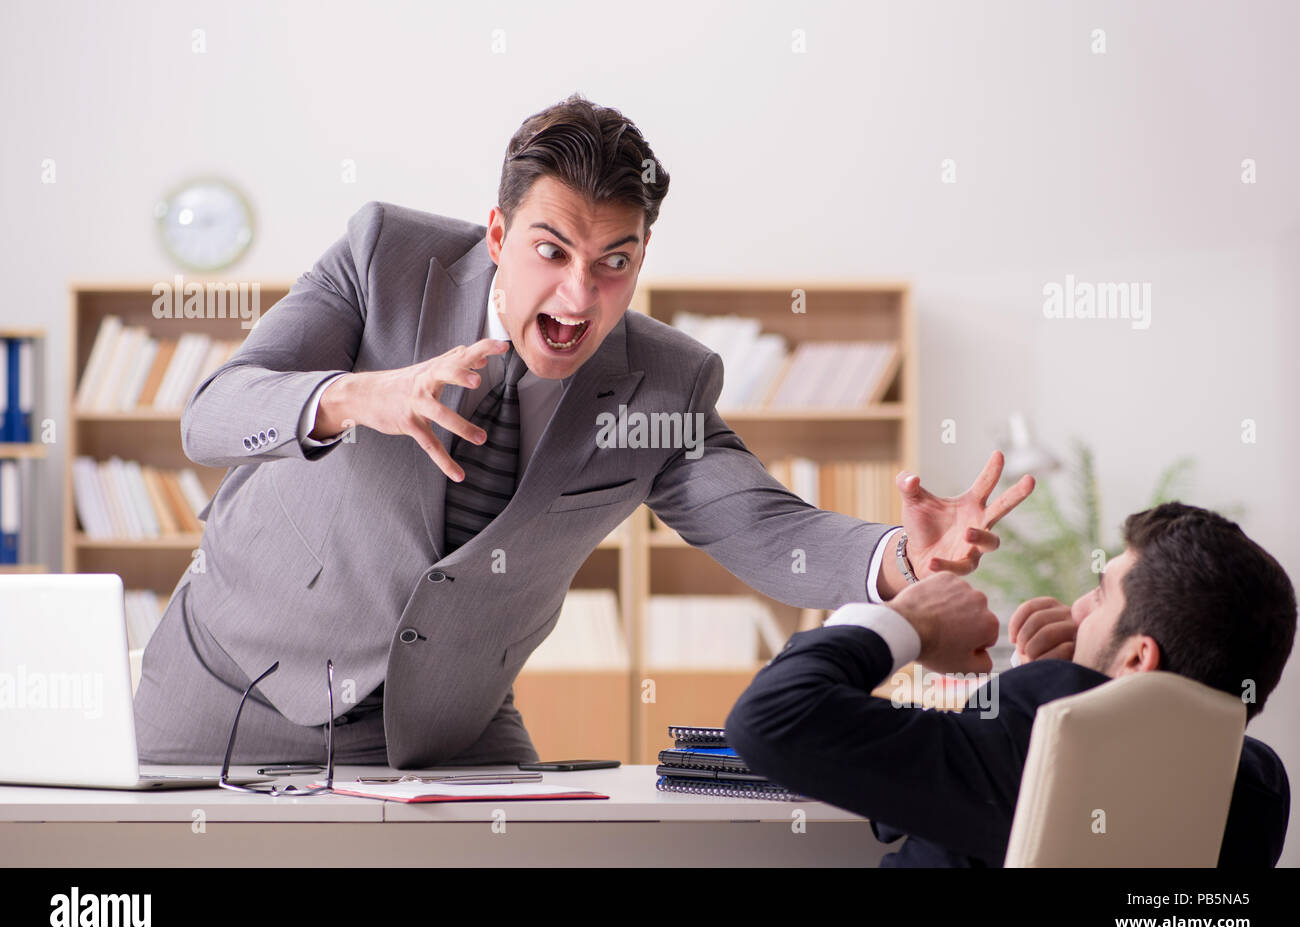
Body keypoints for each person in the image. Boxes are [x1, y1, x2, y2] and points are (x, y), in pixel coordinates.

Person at [133, 93, 1033, 769]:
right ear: (497, 232)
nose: (578, 297)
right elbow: (214, 412)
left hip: (438, 729)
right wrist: (353, 398)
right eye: (551, 251)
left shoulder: (666, 379)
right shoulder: (383, 259)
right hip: (224, 693)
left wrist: (901, 561)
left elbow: (762, 522)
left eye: (615, 263)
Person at [726, 502, 1294, 866]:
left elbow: (773, 720)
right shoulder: (1261, 786)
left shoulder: (1039, 728)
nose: (1078, 607)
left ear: (1139, 657)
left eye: (1100, 595)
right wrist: (1052, 691)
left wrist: (908, 621)